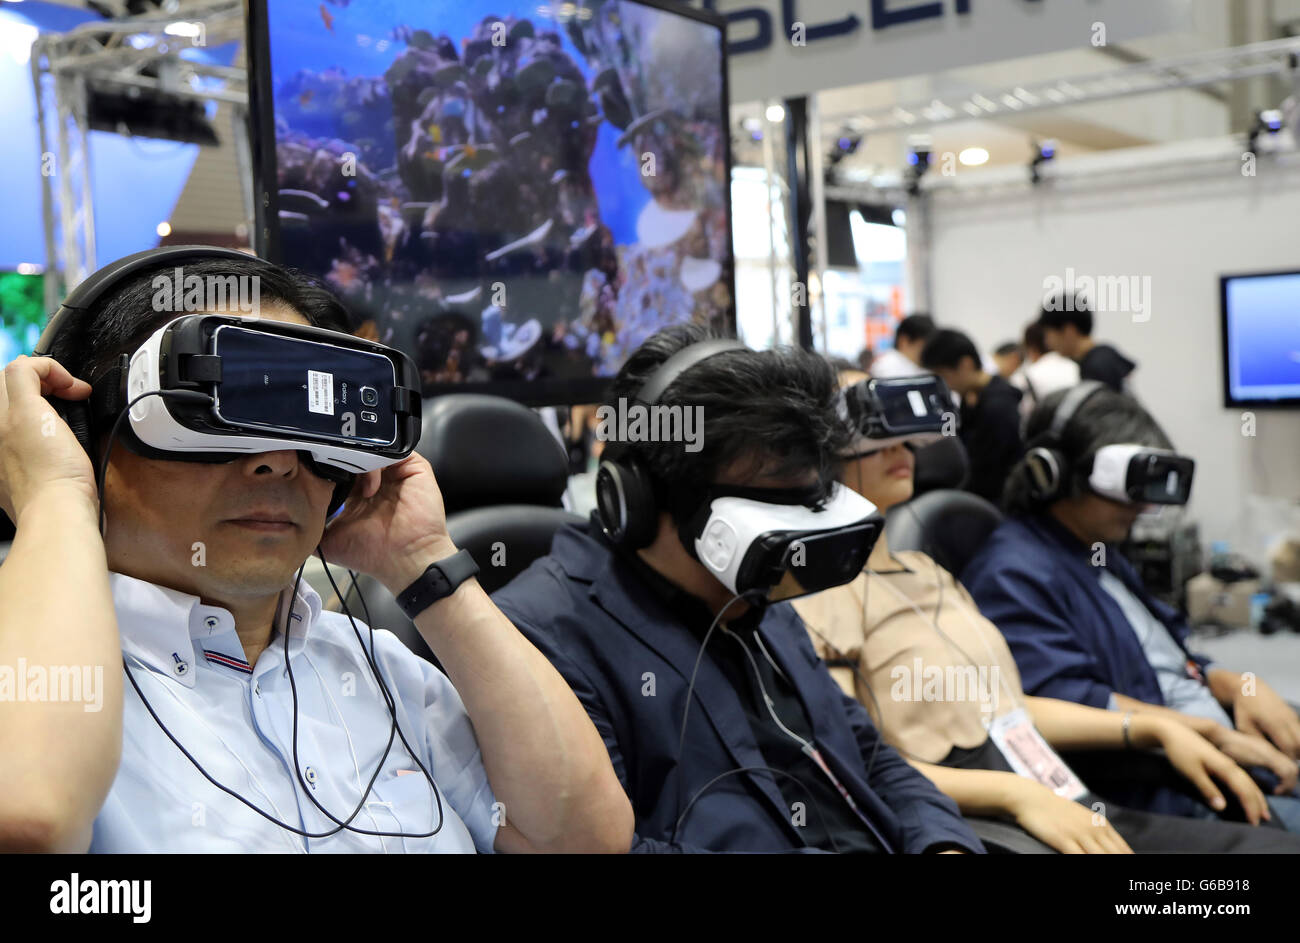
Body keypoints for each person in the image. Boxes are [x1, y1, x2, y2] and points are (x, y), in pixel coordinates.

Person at [0, 247, 633, 853]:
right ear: (81, 434)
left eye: (307, 420)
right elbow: (29, 817)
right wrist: (55, 496)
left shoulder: (380, 671)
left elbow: (583, 837)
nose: (276, 461)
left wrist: (424, 564)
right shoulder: (37, 683)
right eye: (219, 411)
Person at [492, 325, 985, 853]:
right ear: (638, 497)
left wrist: (942, 845)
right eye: (770, 513)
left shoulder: (754, 596)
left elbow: (866, 756)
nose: (789, 543)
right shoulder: (539, 638)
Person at [790, 373, 1300, 851]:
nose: (899, 451)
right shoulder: (825, 591)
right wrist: (1018, 796)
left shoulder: (928, 569)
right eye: (874, 439)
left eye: (904, 441)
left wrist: (1156, 727)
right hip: (996, 812)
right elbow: (854, 762)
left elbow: (1014, 707)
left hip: (1055, 786)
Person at [962, 384, 1300, 828]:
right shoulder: (1013, 575)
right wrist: (1212, 735)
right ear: (1054, 475)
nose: (1142, 506)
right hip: (1167, 780)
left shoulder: (1097, 549)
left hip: (1215, 732)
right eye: (1126, 490)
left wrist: (1240, 686)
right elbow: (1069, 705)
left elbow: (1178, 655)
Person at [918, 328, 1023, 506]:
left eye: (943, 375)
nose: (943, 385)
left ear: (966, 364)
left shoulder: (998, 407)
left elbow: (988, 474)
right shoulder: (974, 396)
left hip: (994, 505)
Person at [1037, 293, 1136, 394]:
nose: (1047, 342)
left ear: (1069, 331)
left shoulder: (1097, 368)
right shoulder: (1105, 359)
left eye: (1048, 333)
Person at [1009, 321, 1079, 425]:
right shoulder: (1075, 367)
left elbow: (1020, 416)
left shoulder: (1023, 377)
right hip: (1077, 430)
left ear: (1031, 347)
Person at [867, 313, 934, 379]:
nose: (928, 350)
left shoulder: (921, 367)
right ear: (904, 341)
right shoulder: (887, 368)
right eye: (924, 345)